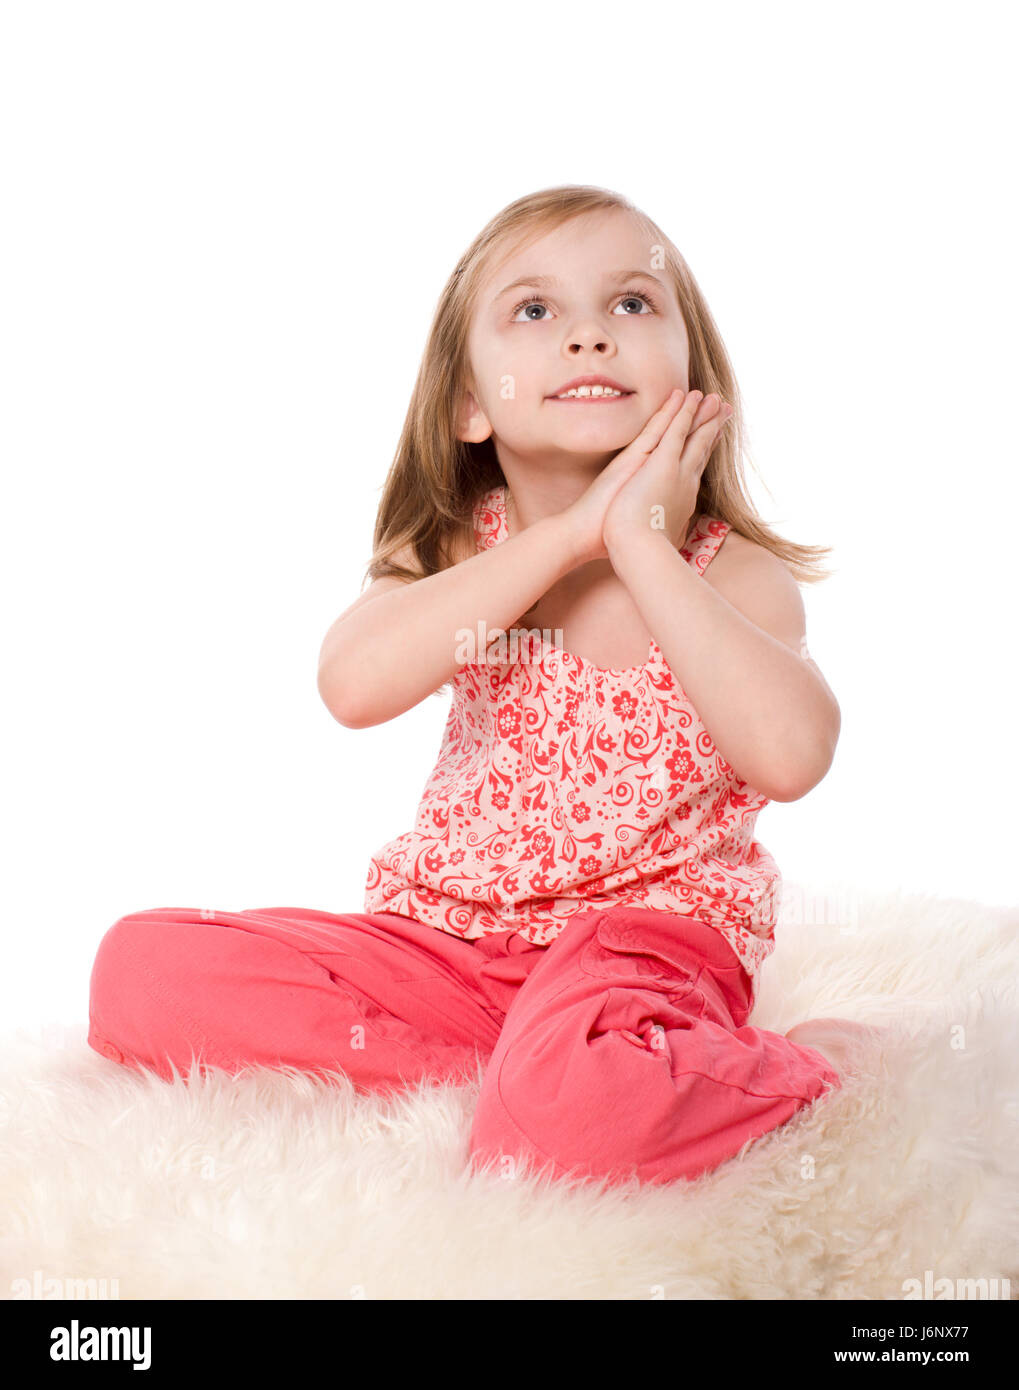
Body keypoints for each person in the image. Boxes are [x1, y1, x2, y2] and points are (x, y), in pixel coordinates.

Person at [88, 184, 873, 1188]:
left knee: (573, 1120)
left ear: (693, 380)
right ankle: (517, 1080)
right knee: (137, 970)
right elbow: (352, 684)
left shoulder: (726, 574)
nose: (588, 336)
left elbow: (792, 755)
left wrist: (640, 546)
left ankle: (791, 1068)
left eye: (631, 304)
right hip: (444, 950)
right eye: (535, 311)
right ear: (468, 403)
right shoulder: (459, 551)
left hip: (634, 958)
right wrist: (568, 539)